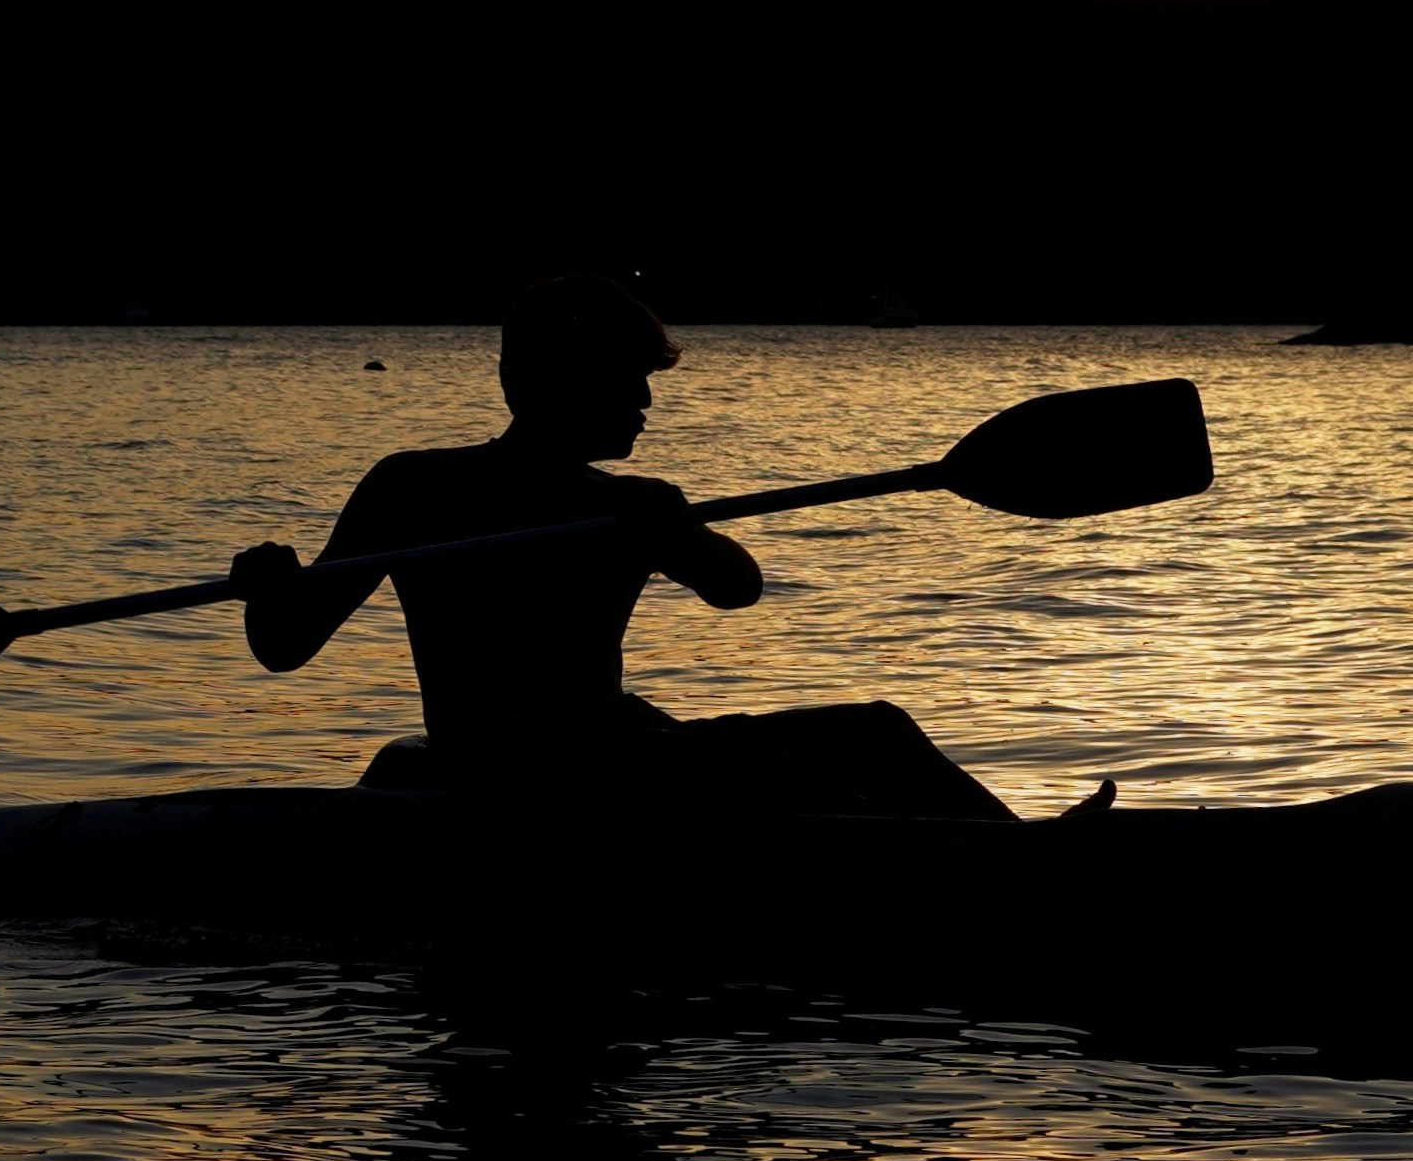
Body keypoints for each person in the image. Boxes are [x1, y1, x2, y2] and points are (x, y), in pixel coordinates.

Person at [232, 276, 1009, 821]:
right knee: (747, 768)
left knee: (870, 728)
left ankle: (1026, 847)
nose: (643, 404)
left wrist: (683, 535)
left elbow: (737, 589)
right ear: (555, 380)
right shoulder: (414, 487)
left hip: (619, 742)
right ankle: (952, 863)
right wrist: (268, 587)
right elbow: (285, 647)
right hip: (500, 765)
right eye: (625, 380)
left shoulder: (625, 504)